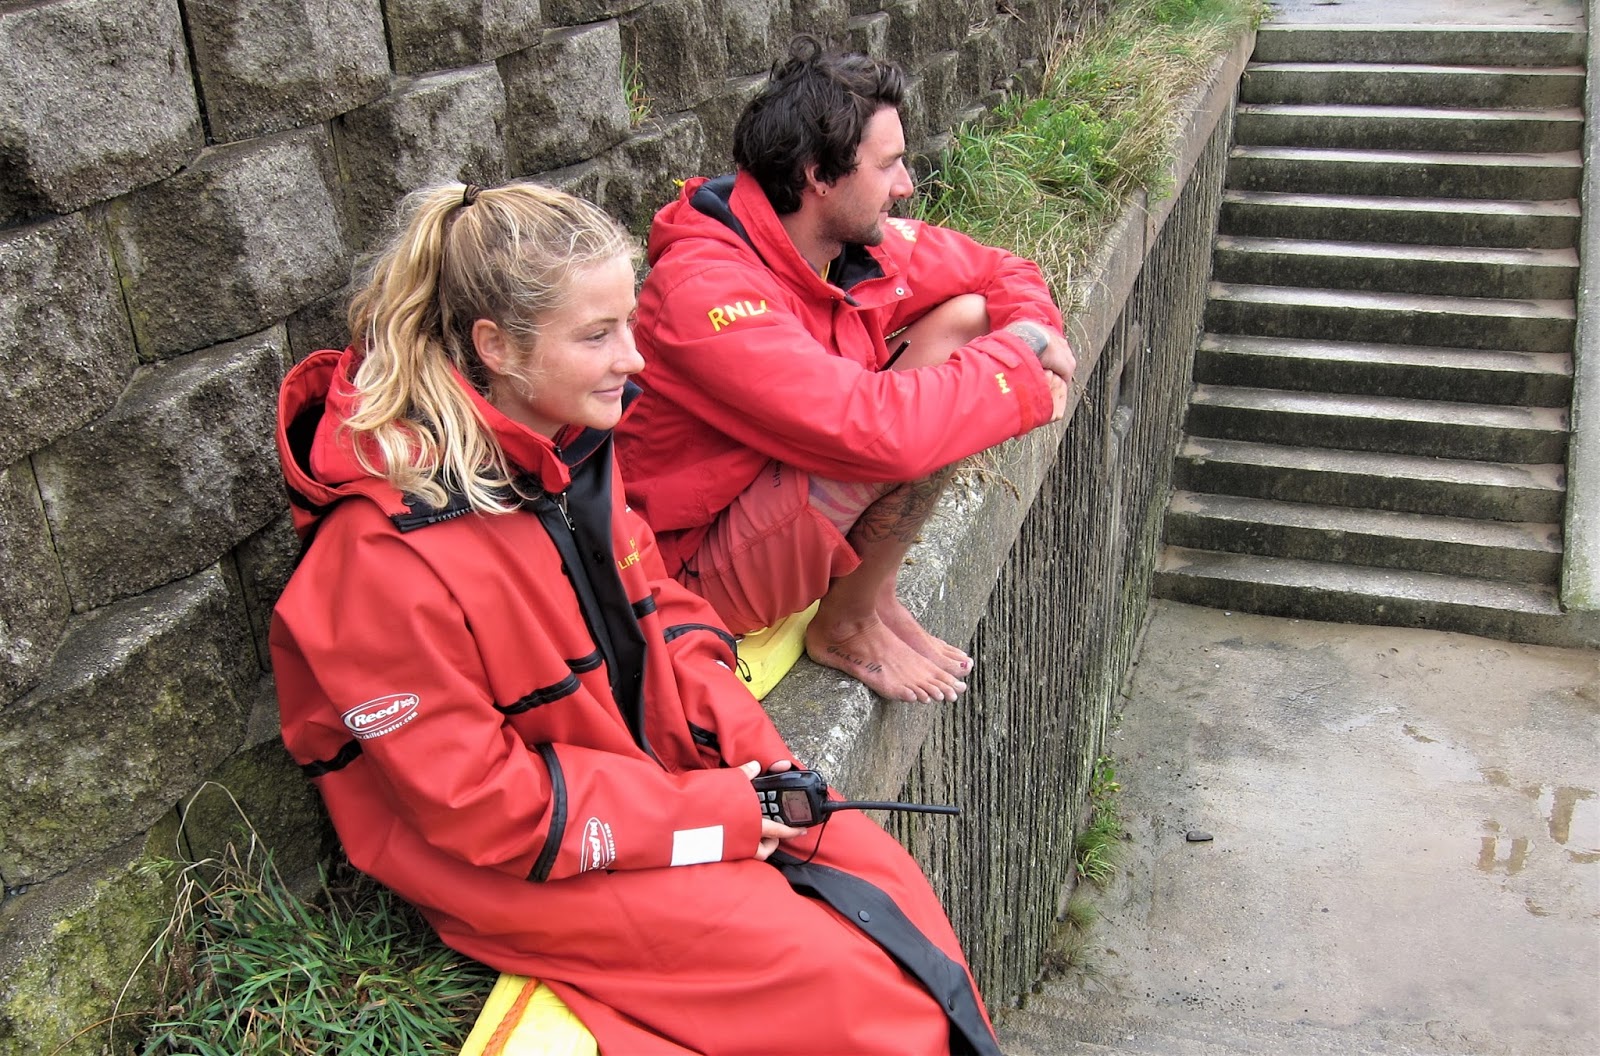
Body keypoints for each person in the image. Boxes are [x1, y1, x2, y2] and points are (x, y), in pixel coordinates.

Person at [269, 181, 1002, 1054]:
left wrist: (755, 752)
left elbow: (668, 610)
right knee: (856, 1001)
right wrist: (715, 813)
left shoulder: (563, 447)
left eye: (628, 322)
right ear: (494, 347)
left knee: (887, 888)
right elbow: (481, 811)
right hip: (514, 862)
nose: (636, 359)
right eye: (598, 335)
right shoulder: (378, 557)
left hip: (637, 780)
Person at [614, 35, 1077, 706]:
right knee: (920, 416)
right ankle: (846, 624)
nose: (906, 186)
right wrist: (1015, 373)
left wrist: (1038, 337)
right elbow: (876, 432)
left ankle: (870, 595)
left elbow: (1002, 271)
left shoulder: (850, 242)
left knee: (973, 318)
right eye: (888, 166)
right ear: (817, 174)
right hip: (691, 568)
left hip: (773, 504)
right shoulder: (705, 291)